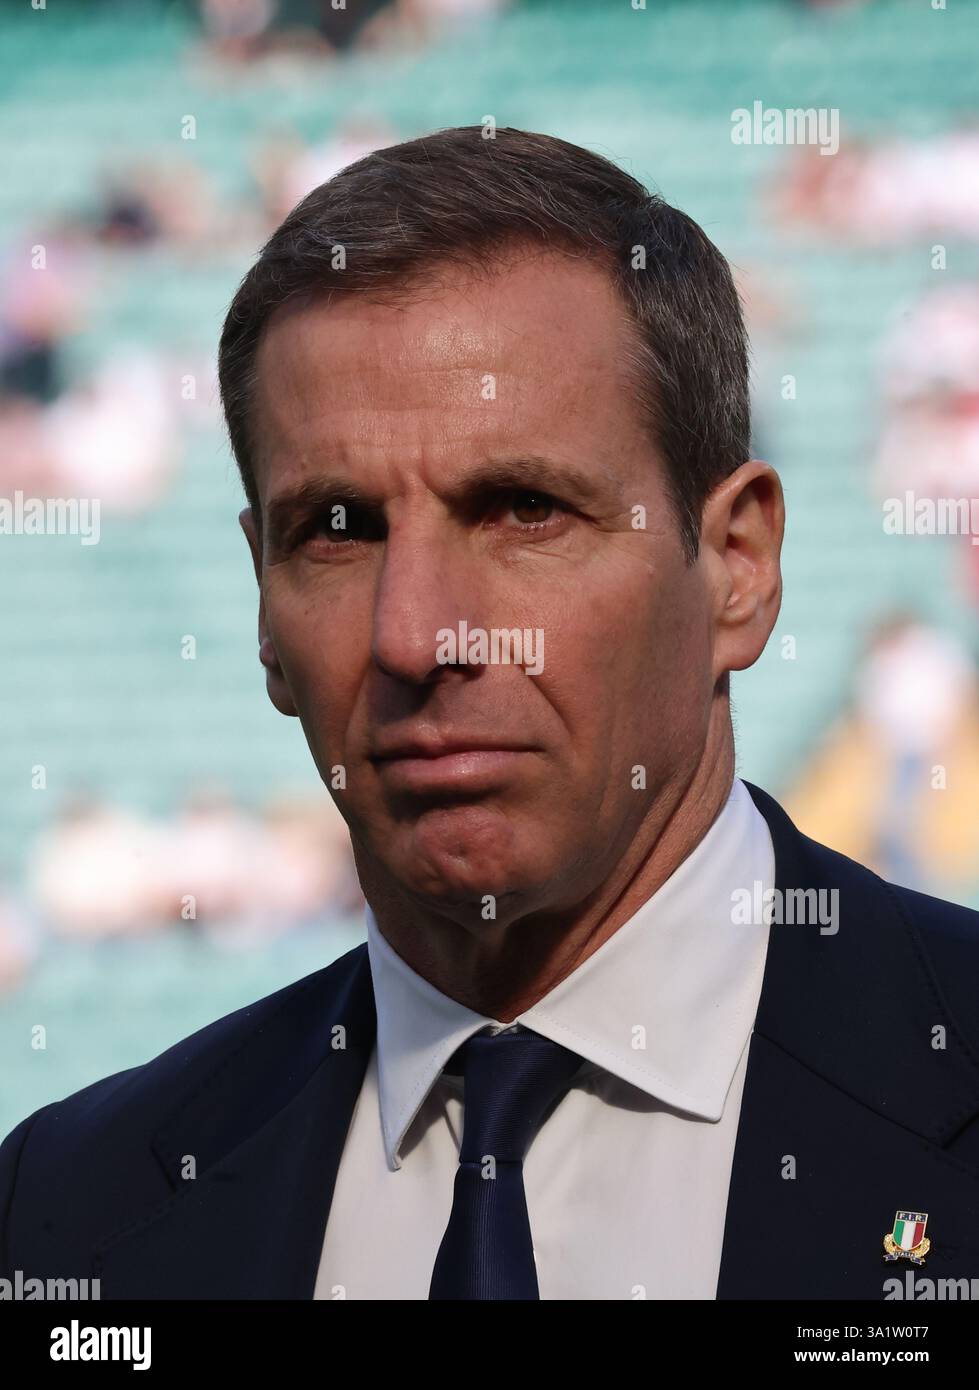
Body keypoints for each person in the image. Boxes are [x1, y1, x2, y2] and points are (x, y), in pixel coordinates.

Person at [2, 126, 978, 1301]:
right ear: (261, 608)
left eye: (524, 509)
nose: (417, 636)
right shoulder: (68, 1216)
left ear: (736, 567)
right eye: (338, 530)